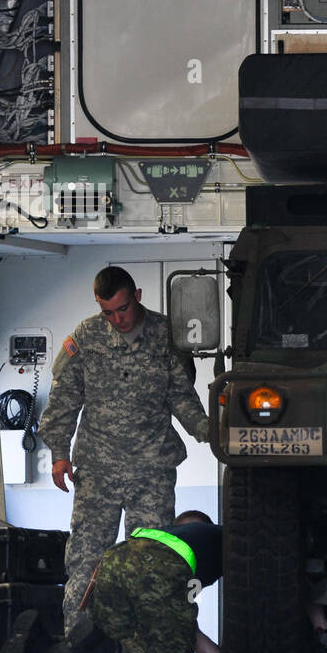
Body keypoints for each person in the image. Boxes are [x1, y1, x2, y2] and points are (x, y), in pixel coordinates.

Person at [38, 266, 211, 631]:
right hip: (98, 471)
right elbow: (65, 399)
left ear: (138, 296)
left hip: (151, 471)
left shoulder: (166, 335)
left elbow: (181, 395)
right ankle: (77, 651)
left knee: (149, 565)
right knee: (85, 562)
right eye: (108, 312)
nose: (117, 319)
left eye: (123, 309)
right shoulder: (87, 336)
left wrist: (208, 431)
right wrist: (59, 454)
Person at [44, 510, 224, 653]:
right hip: (156, 565)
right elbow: (188, 636)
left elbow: (185, 626)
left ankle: (42, 646)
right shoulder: (225, 539)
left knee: (105, 642)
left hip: (113, 559)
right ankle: (107, 648)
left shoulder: (164, 534)